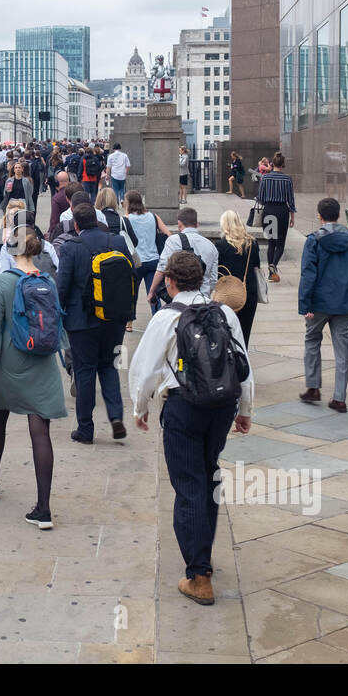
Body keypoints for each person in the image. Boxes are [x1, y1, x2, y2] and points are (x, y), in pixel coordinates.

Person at [129, 251, 252, 606]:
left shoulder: (166, 318)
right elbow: (242, 363)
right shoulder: (225, 313)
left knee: (188, 485)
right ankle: (204, 559)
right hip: (221, 408)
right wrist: (244, 409)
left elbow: (144, 369)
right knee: (209, 474)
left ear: (169, 281)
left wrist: (141, 407)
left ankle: (198, 576)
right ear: (202, 279)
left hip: (184, 406)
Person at [0, 228, 67, 529]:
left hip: (11, 361)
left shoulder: (5, 281)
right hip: (43, 363)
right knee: (41, 432)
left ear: (11, 250)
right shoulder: (47, 280)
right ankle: (43, 508)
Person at [56, 202, 133, 443]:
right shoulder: (117, 242)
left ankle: (85, 428)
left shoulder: (71, 248)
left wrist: (58, 313)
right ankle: (116, 416)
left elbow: (62, 286)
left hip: (82, 322)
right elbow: (133, 275)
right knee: (109, 366)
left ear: (76, 224)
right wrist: (128, 312)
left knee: (85, 371)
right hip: (114, 318)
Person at [297, 197, 348, 413]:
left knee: (312, 340)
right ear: (338, 215)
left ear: (319, 216)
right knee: (342, 350)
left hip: (318, 303)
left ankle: (313, 387)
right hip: (346, 304)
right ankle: (339, 397)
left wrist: (304, 305)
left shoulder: (314, 241)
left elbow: (308, 275)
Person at [149, 206, 221, 303]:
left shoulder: (173, 241)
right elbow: (213, 280)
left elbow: (161, 269)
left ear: (179, 223)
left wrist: (151, 291)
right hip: (203, 300)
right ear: (197, 224)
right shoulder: (211, 246)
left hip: (179, 299)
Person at [121, 191, 171, 327]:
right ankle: (158, 321)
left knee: (132, 293)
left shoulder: (126, 219)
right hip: (153, 260)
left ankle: (129, 323)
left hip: (136, 262)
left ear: (129, 203)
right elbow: (168, 233)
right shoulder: (153, 216)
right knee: (153, 292)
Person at [214, 209, 262, 345]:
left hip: (227, 293)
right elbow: (256, 265)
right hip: (248, 292)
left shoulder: (220, 246)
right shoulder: (252, 243)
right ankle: (243, 360)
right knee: (244, 333)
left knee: (226, 332)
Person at [256, 153, 296, 282]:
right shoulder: (287, 179)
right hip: (282, 212)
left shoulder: (265, 178)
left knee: (271, 243)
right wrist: (292, 217)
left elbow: (260, 199)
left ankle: (271, 272)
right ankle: (274, 265)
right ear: (283, 164)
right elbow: (291, 200)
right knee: (280, 243)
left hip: (268, 212)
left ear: (272, 163)